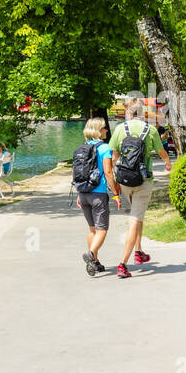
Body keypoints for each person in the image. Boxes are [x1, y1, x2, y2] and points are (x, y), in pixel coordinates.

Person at [110, 105, 172, 278]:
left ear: (128, 114)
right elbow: (161, 151)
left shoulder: (120, 129)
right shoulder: (150, 129)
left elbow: (113, 157)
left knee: (138, 216)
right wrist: (168, 163)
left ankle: (139, 251)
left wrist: (115, 180)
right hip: (144, 180)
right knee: (135, 220)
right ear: (143, 115)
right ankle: (122, 264)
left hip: (125, 181)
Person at [73, 118, 117, 276]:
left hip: (83, 193)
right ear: (99, 130)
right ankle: (91, 255)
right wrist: (116, 194)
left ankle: (95, 263)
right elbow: (108, 172)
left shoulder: (83, 147)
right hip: (98, 194)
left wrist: (80, 193)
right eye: (104, 128)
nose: (107, 130)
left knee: (92, 229)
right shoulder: (105, 148)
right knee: (102, 230)